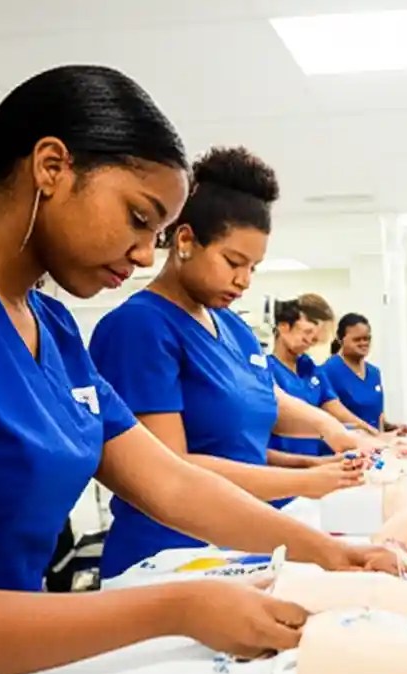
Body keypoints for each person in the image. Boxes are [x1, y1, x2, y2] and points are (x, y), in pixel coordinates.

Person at [0, 66, 395, 674]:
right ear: (51, 166)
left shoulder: (54, 330)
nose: (146, 256)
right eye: (139, 218)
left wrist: (328, 552)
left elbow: (171, 483)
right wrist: (175, 608)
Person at [88, 147, 372, 577]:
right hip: (167, 556)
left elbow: (263, 411)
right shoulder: (140, 328)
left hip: (237, 542)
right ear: (184, 240)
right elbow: (170, 469)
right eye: (233, 262)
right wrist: (305, 481)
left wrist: (333, 438)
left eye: (254, 268)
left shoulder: (233, 330)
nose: (243, 280)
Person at [269, 297, 379, 463]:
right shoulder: (266, 370)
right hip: (285, 464)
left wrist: (374, 434)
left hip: (318, 461)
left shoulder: (310, 368)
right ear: (284, 327)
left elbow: (336, 410)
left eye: (314, 338)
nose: (310, 342)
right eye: (306, 333)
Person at [324, 313, 407, 434]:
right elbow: (329, 416)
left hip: (374, 445)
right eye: (357, 339)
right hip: (345, 445)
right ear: (340, 339)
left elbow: (377, 417)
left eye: (367, 339)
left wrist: (392, 428)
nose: (363, 343)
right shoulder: (328, 371)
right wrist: (368, 431)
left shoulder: (374, 373)